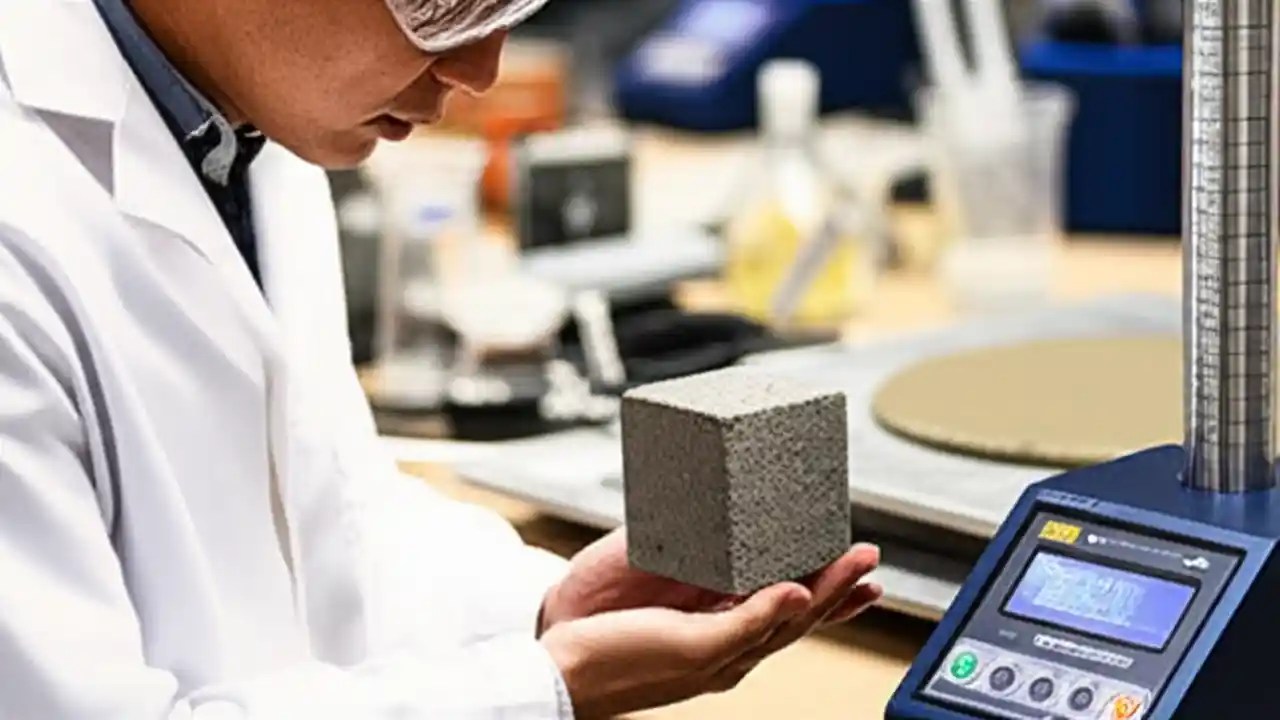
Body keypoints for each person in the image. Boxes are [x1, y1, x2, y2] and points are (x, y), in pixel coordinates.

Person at [0, 0, 884, 717]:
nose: (479, 70)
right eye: (441, 1)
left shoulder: (243, 122)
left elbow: (323, 512)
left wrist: (536, 612)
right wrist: (542, 687)